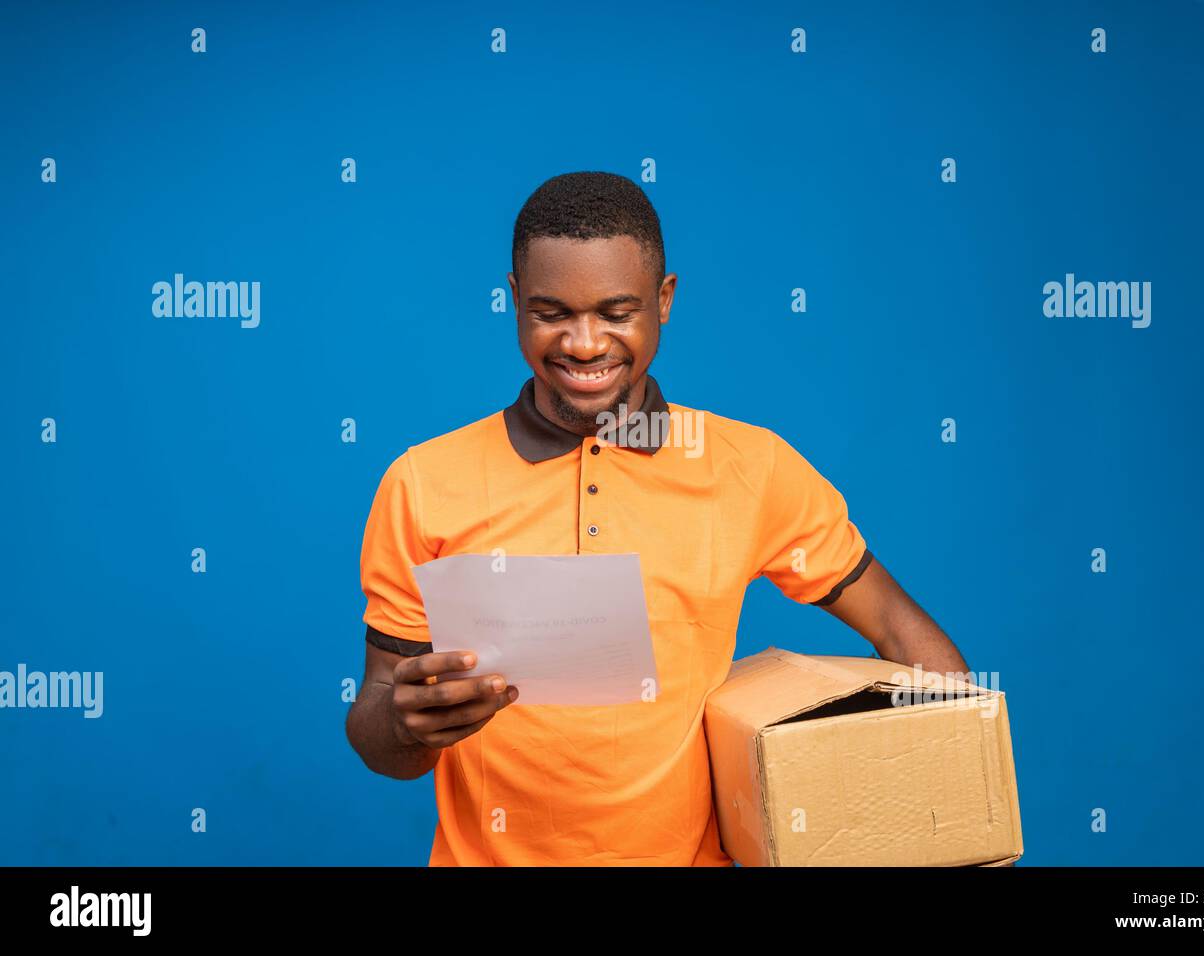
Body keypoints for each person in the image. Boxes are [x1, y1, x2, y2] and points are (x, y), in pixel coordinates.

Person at [344, 171, 970, 866]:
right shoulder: (424, 482)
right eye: (552, 313)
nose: (584, 344)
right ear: (514, 300)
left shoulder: (749, 467)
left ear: (663, 300)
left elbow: (893, 624)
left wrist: (958, 800)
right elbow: (382, 739)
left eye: (616, 312)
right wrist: (410, 729)